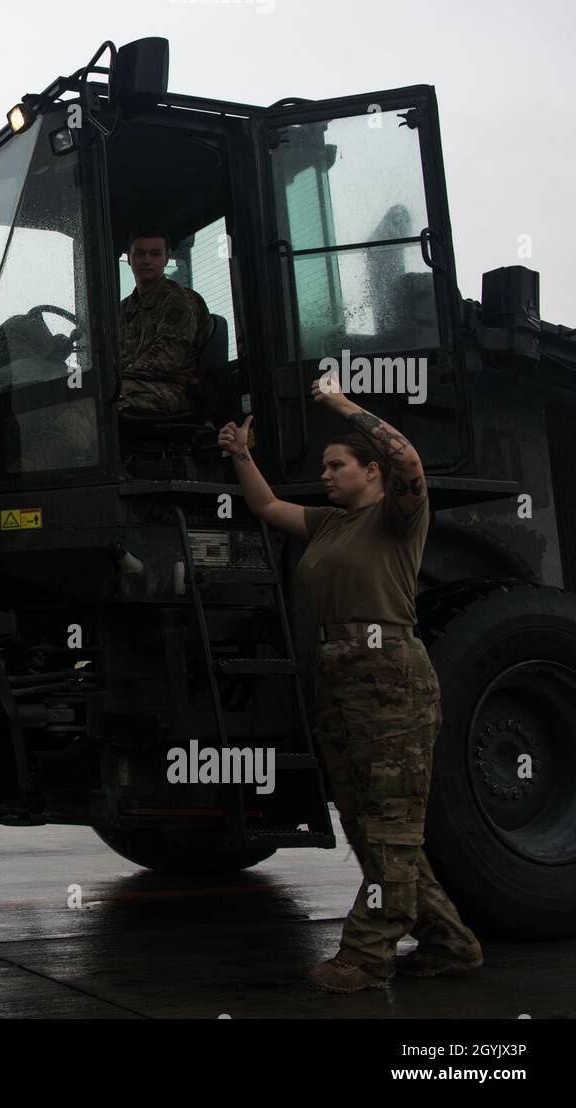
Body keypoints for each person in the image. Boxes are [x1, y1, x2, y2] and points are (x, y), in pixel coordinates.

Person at [218, 377, 483, 994]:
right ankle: (449, 941)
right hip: (339, 672)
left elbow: (409, 460)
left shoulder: (399, 516)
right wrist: (240, 453)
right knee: (366, 822)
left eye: (337, 466)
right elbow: (265, 508)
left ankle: (366, 956)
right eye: (325, 467)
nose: (327, 475)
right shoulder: (331, 524)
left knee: (390, 822)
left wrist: (343, 406)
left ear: (371, 471)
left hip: (390, 674)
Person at [115, 229, 208, 414]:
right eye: (140, 253)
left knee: (103, 400)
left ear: (167, 258)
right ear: (129, 258)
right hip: (133, 384)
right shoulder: (123, 309)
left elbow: (167, 359)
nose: (147, 260)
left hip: (171, 390)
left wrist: (114, 379)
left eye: (155, 254)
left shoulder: (179, 301)